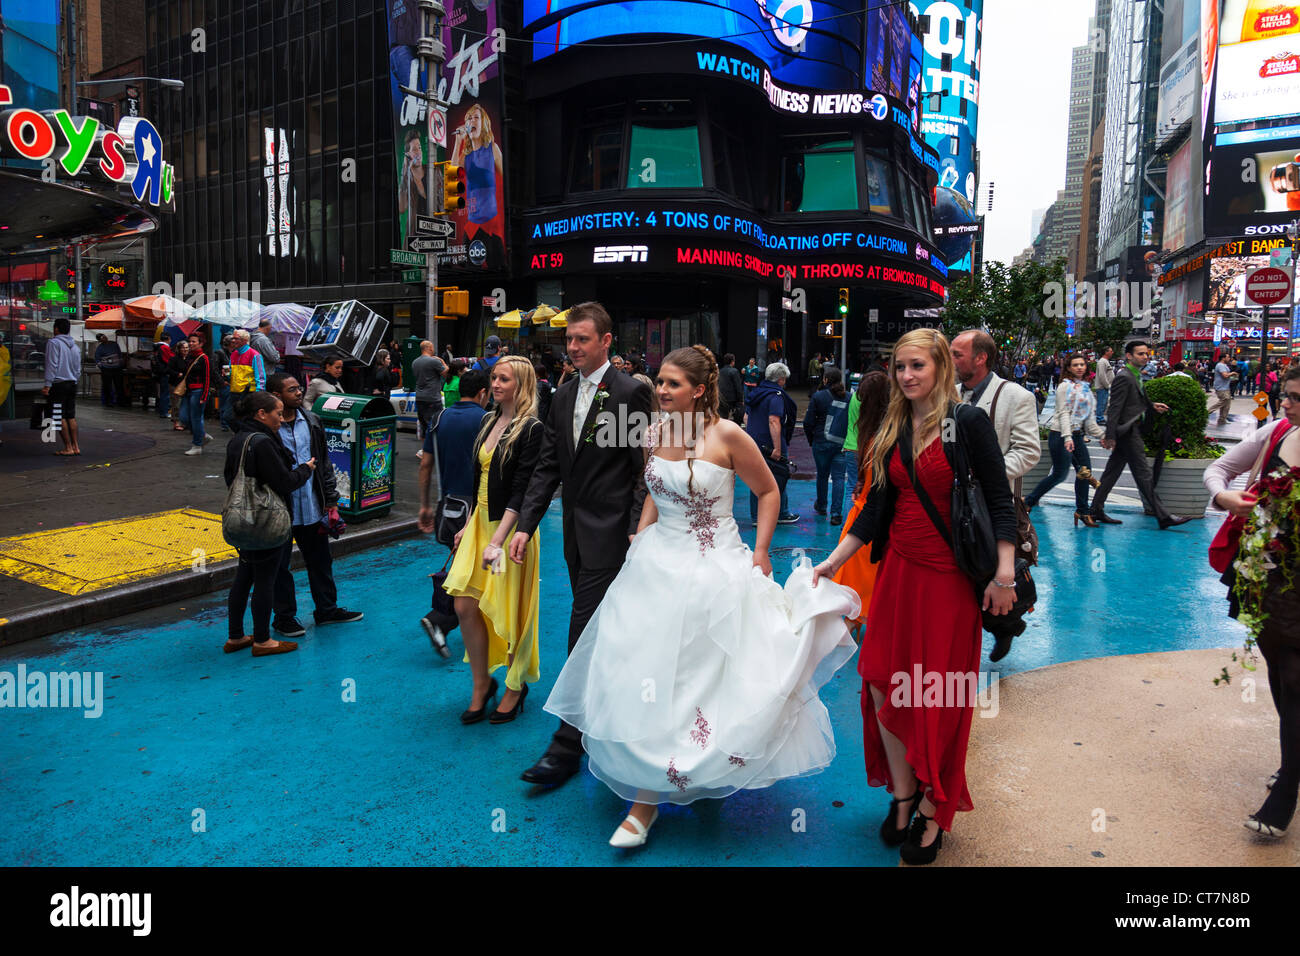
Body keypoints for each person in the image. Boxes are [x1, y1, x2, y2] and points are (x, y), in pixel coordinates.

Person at [544, 345, 859, 847]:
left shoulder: (728, 435)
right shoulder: (652, 433)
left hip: (715, 566)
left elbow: (769, 491)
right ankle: (653, 782)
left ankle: (655, 795)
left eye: (671, 384)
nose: (661, 390)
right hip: (653, 566)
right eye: (659, 382)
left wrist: (760, 552)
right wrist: (638, 538)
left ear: (698, 389)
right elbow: (652, 492)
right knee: (645, 672)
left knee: (699, 674)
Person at [810, 328, 1018, 865]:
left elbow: (999, 501)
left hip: (948, 583)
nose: (906, 376)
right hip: (898, 575)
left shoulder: (965, 423)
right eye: (900, 366)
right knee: (881, 682)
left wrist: (1004, 576)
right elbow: (878, 507)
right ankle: (903, 794)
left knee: (936, 696)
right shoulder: (896, 424)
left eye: (917, 366)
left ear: (941, 367)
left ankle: (931, 807)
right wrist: (835, 560)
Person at [508, 301, 652, 786]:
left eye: (582, 340)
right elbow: (548, 464)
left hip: (613, 536)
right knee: (606, 632)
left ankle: (566, 744)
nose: (572, 348)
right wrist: (526, 525)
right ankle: (614, 722)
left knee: (582, 631)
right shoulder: (563, 394)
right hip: (572, 534)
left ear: (605, 341)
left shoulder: (632, 392)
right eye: (569, 340)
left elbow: (642, 470)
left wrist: (635, 528)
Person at [1205, 365, 1300, 838]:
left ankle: (1287, 788)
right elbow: (1220, 467)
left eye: (1296, 397)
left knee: (1295, 677)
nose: (1286, 404)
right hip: (1268, 573)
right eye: (1286, 395)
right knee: (1280, 670)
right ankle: (1292, 764)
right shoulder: (1277, 432)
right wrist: (1224, 497)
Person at [443, 357, 545, 724]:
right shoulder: (488, 420)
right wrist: (468, 525)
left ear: (521, 385)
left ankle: (515, 686)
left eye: (505, 378)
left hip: (509, 533)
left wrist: (497, 541)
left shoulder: (530, 428)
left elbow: (523, 490)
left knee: (509, 609)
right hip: (480, 527)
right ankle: (481, 683)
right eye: (495, 377)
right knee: (464, 606)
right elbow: (480, 482)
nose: (496, 383)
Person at [263, 373, 362, 636]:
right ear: (275, 395)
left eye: (299, 388)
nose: (299, 393)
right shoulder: (265, 429)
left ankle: (327, 610)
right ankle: (284, 617)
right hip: (280, 509)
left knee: (320, 560)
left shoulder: (312, 420)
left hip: (312, 503)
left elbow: (324, 464)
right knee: (280, 567)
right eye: (292, 389)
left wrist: (331, 501)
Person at [222, 390, 316, 657]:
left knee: (244, 577)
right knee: (265, 580)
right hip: (265, 521)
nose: (281, 418)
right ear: (261, 414)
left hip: (243, 520)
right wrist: (306, 469)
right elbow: (285, 482)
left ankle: (236, 635)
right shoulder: (263, 443)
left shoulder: (238, 438)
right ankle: (263, 640)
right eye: (277, 413)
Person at [1089, 340, 1192, 529]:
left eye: (1146, 354)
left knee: (1112, 473)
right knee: (1143, 474)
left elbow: (1134, 402)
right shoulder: (1124, 377)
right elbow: (1114, 408)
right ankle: (1163, 516)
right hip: (1128, 432)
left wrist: (1152, 406)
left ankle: (1095, 509)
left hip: (1131, 429)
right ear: (1129, 356)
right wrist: (1109, 435)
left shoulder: (1135, 375)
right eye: (1140, 354)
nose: (1145, 357)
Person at [834, 370, 891, 631]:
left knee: (857, 570)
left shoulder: (873, 428)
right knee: (865, 571)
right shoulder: (886, 430)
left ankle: (855, 617)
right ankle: (857, 616)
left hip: (865, 510)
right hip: (868, 509)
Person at [951, 330, 1041, 493]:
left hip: (992, 501)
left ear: (980, 358)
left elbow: (1028, 452)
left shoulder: (1017, 396)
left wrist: (987, 473)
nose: (950, 361)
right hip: (951, 501)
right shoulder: (949, 394)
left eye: (957, 355)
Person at [1024, 352, 1105, 525]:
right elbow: (1063, 414)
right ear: (1068, 368)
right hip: (1060, 435)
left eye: (1082, 364)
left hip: (1076, 435)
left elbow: (1089, 421)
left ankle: (1082, 512)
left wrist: (1104, 436)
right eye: (1075, 365)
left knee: (1084, 474)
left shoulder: (1085, 389)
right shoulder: (1063, 387)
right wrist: (1067, 437)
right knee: (1060, 474)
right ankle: (1028, 502)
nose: (1079, 367)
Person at [743, 362, 799, 524]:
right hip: (770, 445)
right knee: (780, 475)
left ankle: (756, 516)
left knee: (756, 480)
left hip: (754, 444)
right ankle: (782, 512)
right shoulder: (776, 396)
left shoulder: (756, 393)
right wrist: (777, 448)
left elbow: (746, 417)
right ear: (780, 379)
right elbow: (774, 421)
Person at [804, 366, 851, 523]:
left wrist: (812, 439)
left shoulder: (818, 397)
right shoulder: (849, 397)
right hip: (841, 443)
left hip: (821, 441)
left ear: (825, 380)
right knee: (838, 478)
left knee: (822, 475)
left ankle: (822, 505)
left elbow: (808, 422)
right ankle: (836, 513)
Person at [43, 317, 82, 456]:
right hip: (72, 384)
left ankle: (67, 447)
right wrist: (74, 380)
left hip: (58, 385)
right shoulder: (75, 346)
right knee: (71, 416)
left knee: (59, 416)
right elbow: (78, 369)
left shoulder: (53, 343)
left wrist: (47, 385)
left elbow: (51, 365)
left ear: (56, 329)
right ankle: (76, 446)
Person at [179, 332, 213, 455]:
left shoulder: (204, 358)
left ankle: (197, 444)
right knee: (183, 417)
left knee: (196, 418)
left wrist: (204, 396)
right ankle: (202, 435)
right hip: (188, 392)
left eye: (194, 341)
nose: (191, 343)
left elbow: (207, 378)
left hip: (198, 392)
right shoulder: (189, 357)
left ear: (201, 343)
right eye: (190, 341)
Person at [412, 340, 447, 440]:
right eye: (433, 347)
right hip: (432, 398)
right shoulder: (434, 361)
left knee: (424, 427)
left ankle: (425, 451)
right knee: (436, 426)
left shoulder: (415, 362)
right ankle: (435, 452)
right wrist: (442, 362)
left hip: (419, 398)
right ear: (430, 348)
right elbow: (446, 374)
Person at [228, 329, 266, 397]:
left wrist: (259, 394)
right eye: (233, 338)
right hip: (234, 391)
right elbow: (230, 373)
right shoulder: (233, 354)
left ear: (244, 340)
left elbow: (260, 376)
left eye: (236, 338)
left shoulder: (254, 355)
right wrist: (227, 373)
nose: (233, 340)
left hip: (248, 393)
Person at [166, 339, 191, 432]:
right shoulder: (174, 359)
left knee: (185, 404)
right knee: (176, 403)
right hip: (175, 384)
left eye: (187, 347)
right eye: (183, 348)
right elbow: (168, 370)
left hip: (187, 385)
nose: (185, 349)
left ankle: (184, 422)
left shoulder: (190, 359)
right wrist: (177, 374)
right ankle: (176, 422)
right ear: (179, 349)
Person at [94, 333, 125, 407]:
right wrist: (102, 366)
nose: (104, 338)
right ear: (100, 340)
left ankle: (120, 401)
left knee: (119, 385)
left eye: (104, 337)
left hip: (117, 368)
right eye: (102, 338)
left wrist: (121, 363)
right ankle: (108, 401)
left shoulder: (114, 344)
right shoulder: (100, 348)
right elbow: (97, 358)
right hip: (106, 369)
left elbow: (119, 354)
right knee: (107, 386)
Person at [213, 334, 234, 431]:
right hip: (225, 383)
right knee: (224, 403)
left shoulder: (233, 353)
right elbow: (215, 369)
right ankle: (225, 424)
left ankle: (227, 422)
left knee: (228, 403)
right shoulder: (220, 353)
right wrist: (222, 382)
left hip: (231, 382)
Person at [718, 352, 745, 424]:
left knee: (722, 418)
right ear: (732, 361)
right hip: (731, 400)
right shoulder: (734, 371)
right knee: (733, 419)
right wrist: (741, 400)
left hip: (720, 398)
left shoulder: (720, 371)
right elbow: (738, 387)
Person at [1212, 354, 1234, 426]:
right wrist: (1232, 373)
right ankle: (1207, 412)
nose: (1229, 358)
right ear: (1223, 358)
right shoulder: (1220, 365)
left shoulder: (1225, 365)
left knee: (1227, 404)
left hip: (1226, 387)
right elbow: (1225, 375)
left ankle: (1222, 419)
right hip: (1221, 387)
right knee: (1224, 400)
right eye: (1228, 357)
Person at [1094, 347, 1115, 424]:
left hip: (1104, 387)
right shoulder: (1102, 362)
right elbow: (1102, 375)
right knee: (1101, 403)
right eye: (1111, 351)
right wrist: (1107, 385)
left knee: (1104, 403)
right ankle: (1099, 419)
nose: (1112, 352)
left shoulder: (1105, 361)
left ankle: (1100, 418)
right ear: (1106, 352)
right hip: (1102, 387)